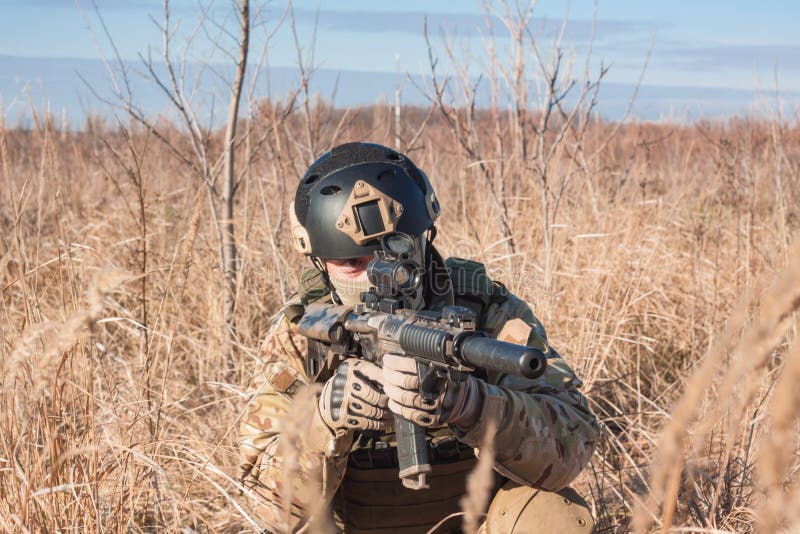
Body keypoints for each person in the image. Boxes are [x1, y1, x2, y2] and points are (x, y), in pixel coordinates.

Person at [239, 142, 600, 533]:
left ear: (424, 238)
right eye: (352, 264)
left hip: (477, 524)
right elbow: (263, 507)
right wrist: (324, 422)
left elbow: (574, 443)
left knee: (553, 517)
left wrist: (474, 405)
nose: (377, 275)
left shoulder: (487, 311)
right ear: (320, 263)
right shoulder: (302, 333)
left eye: (396, 252)